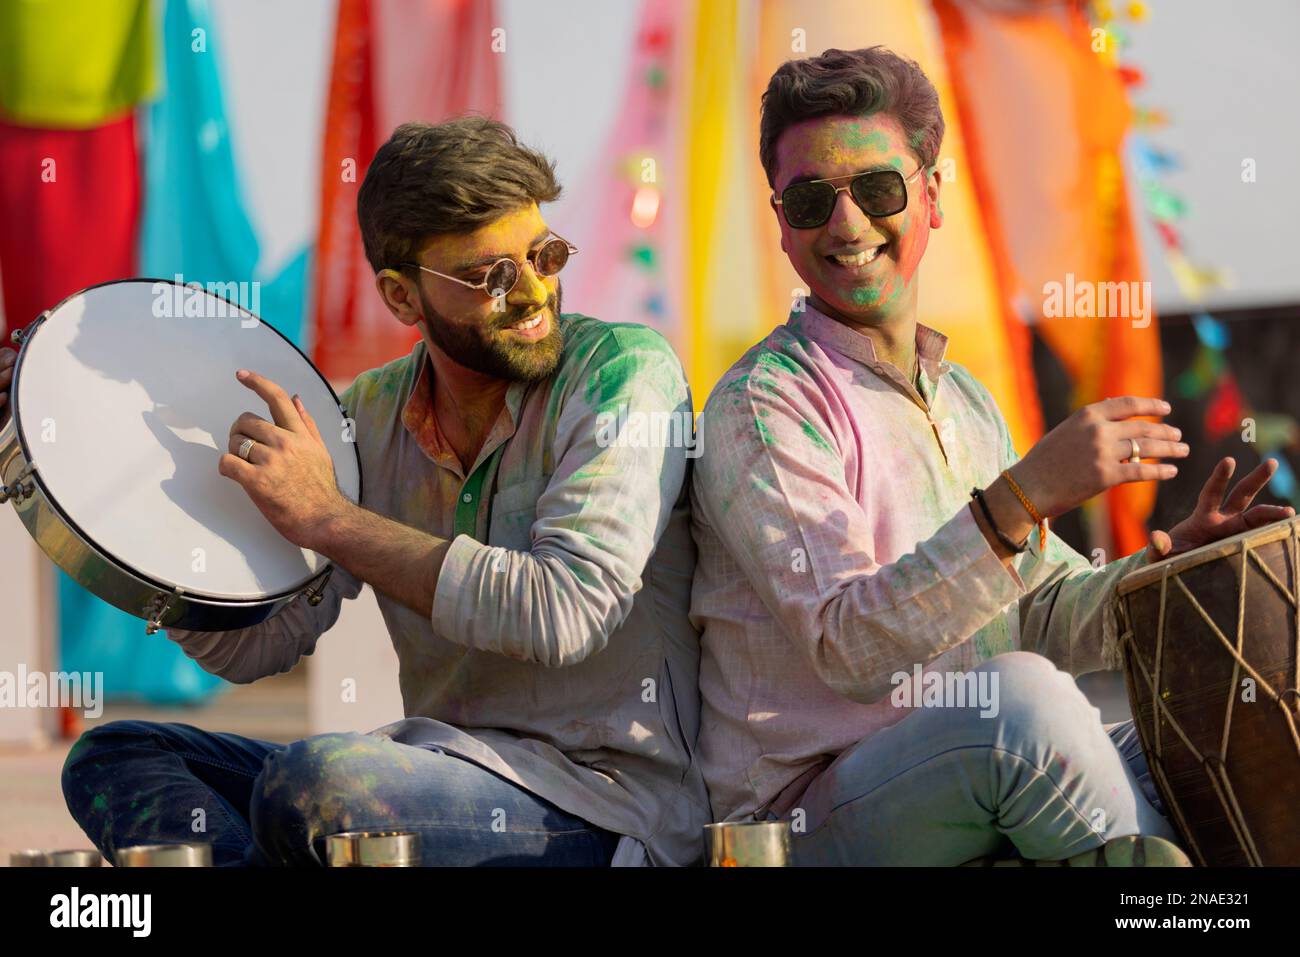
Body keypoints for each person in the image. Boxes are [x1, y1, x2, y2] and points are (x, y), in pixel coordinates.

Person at [688, 46, 1293, 866]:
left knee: (1201, 724)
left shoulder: (964, 400)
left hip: (970, 761)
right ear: (784, 227)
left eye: (876, 189)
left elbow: (1035, 615)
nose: (846, 223)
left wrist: (1169, 579)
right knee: (1023, 703)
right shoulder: (763, 406)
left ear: (932, 196)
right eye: (810, 199)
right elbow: (846, 647)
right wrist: (1022, 494)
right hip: (807, 814)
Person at [60, 117, 709, 867]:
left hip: (608, 806)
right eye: (488, 275)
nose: (533, 292)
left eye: (545, 254)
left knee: (316, 789)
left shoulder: (623, 373)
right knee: (117, 757)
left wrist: (330, 518)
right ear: (403, 298)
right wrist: (127, 508)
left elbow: (565, 610)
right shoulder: (368, 414)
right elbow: (267, 644)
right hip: (428, 778)